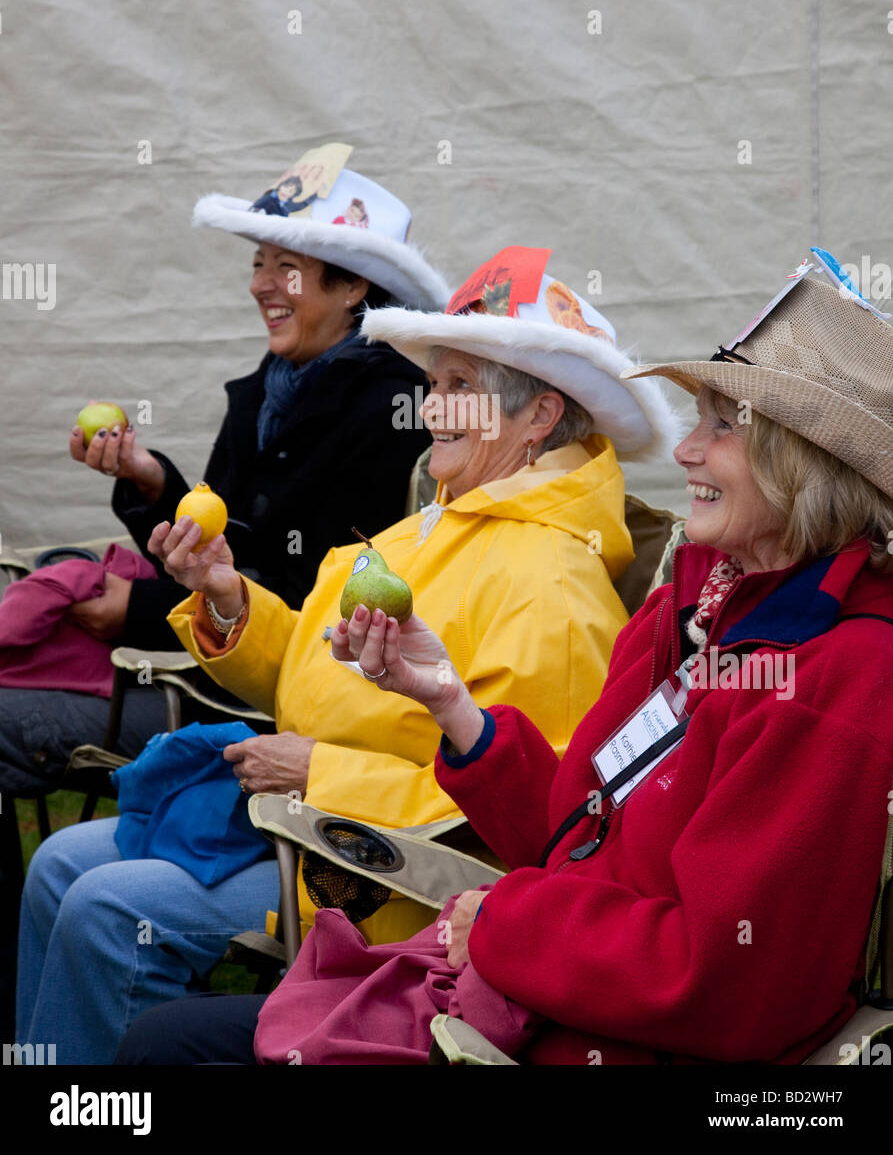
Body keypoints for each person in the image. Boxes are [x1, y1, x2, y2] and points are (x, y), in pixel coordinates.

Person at [117, 251, 893, 1066]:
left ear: (801, 464)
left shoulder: (824, 676)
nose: (685, 452)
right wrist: (452, 706)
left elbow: (726, 979)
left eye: (721, 427)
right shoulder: (689, 612)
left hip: (568, 1029)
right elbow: (571, 828)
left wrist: (501, 923)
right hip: (512, 988)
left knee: (162, 1038)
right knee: (161, 1037)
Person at [16, 244, 678, 1063]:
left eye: (458, 390)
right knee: (56, 864)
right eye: (434, 385)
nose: (429, 409)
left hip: (379, 878)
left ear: (538, 417)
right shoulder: (443, 518)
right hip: (296, 825)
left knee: (107, 906)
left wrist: (318, 772)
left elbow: (540, 823)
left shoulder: (549, 580)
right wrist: (226, 595)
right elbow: (318, 664)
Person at [0, 144, 446, 1038]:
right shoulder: (271, 391)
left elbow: (312, 596)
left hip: (253, 720)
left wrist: (138, 611)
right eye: (257, 263)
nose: (262, 285)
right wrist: (148, 479)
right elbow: (221, 545)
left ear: (354, 285)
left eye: (288, 266)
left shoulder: (391, 410)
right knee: (57, 858)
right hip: (235, 682)